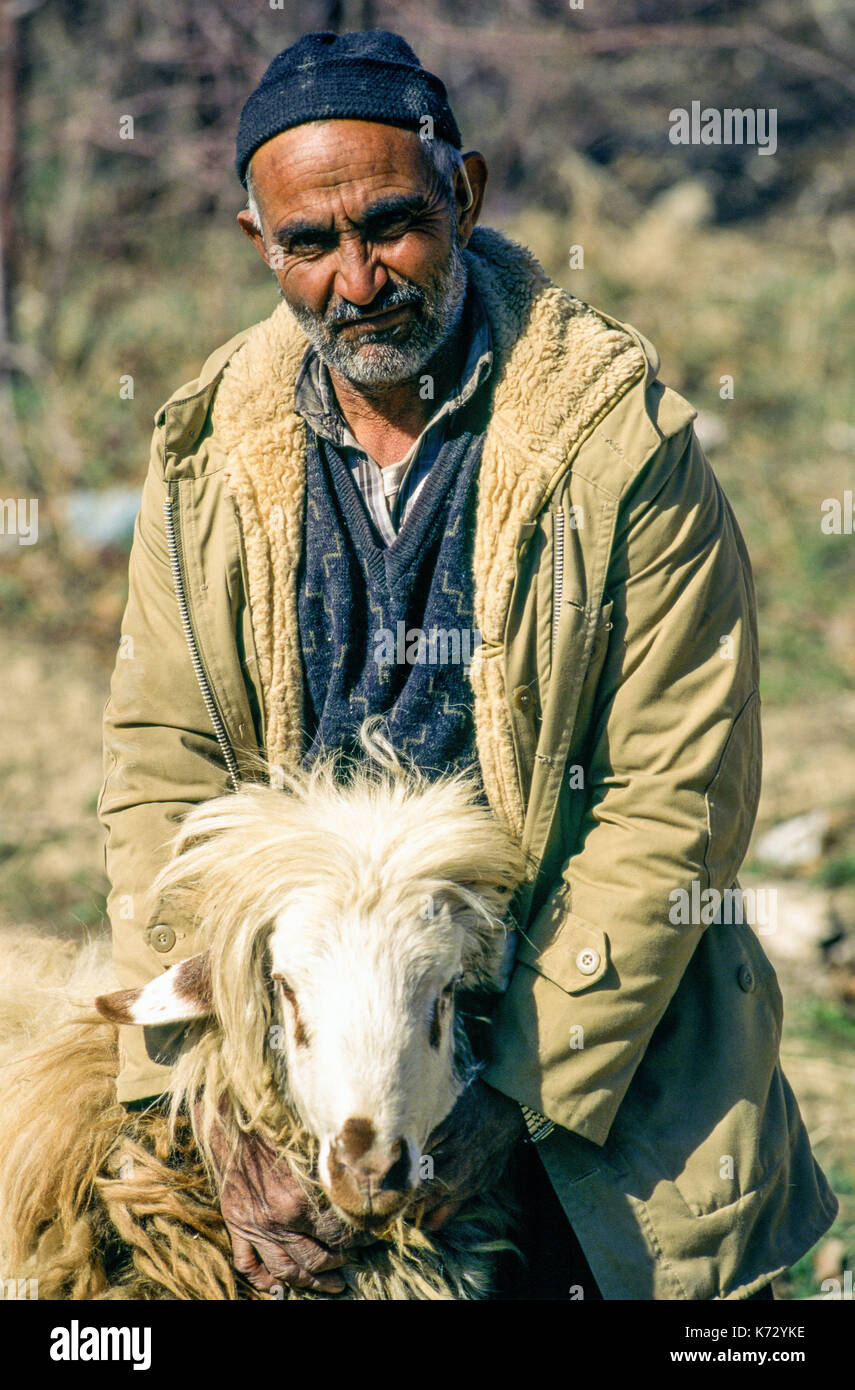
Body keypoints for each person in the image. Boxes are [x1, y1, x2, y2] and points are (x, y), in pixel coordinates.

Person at [99, 29, 837, 1300]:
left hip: (583, 1041)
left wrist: (519, 1093)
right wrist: (217, 1094)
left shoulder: (620, 450)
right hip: (310, 1054)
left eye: (393, 224)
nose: (357, 278)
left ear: (467, 195)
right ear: (258, 245)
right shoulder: (207, 457)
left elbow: (680, 798)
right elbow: (162, 764)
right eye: (309, 245)